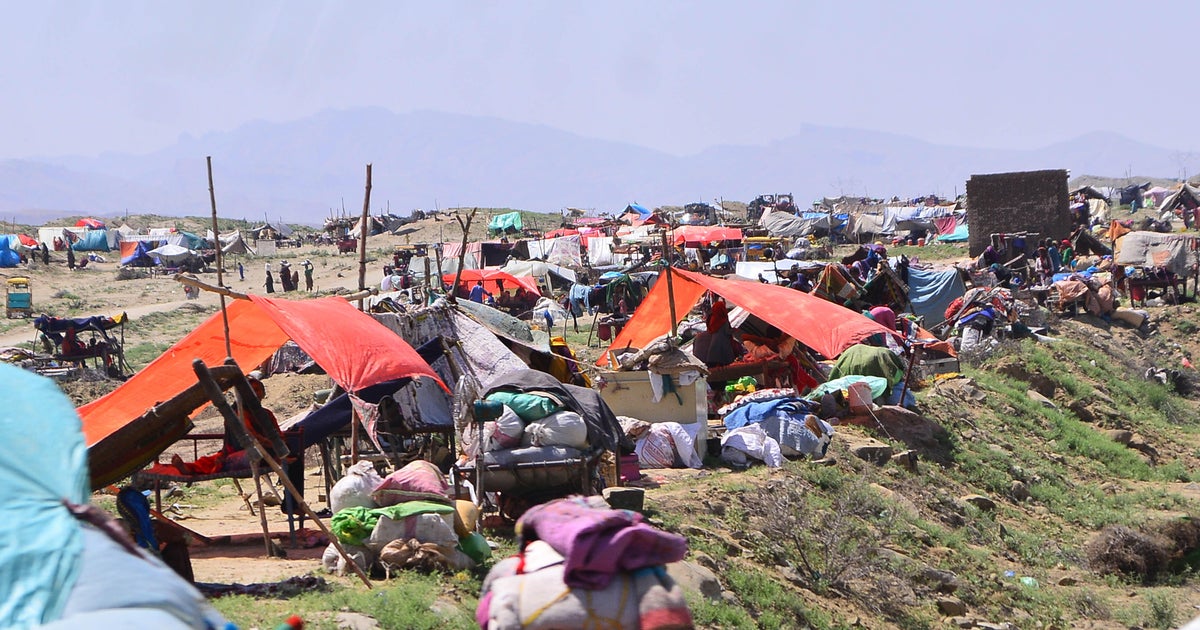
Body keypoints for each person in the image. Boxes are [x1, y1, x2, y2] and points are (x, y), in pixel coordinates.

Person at [172, 375, 282, 475]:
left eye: (257, 390)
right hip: (243, 451)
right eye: (250, 390)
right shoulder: (239, 413)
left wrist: (275, 444)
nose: (254, 394)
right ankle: (188, 468)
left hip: (265, 451)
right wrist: (267, 443)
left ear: (263, 394)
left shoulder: (267, 414)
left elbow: (277, 435)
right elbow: (250, 435)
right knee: (209, 461)